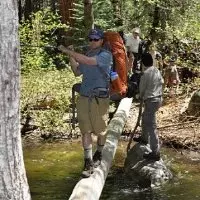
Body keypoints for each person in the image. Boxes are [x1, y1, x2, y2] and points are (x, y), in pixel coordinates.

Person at [58, 28, 113, 178]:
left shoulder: (105, 55)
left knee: (101, 131)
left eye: (96, 39)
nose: (92, 42)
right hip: (84, 97)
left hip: (99, 99)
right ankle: (88, 162)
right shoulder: (87, 54)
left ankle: (99, 153)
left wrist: (68, 51)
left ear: (101, 41)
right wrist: (71, 55)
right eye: (91, 39)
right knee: (85, 130)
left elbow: (88, 62)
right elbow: (77, 71)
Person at [133, 53, 163, 161]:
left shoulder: (145, 74)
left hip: (151, 100)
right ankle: (144, 138)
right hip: (158, 99)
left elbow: (142, 89)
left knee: (151, 125)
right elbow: (161, 83)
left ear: (143, 63)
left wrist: (139, 96)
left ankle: (155, 152)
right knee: (145, 118)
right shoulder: (156, 70)